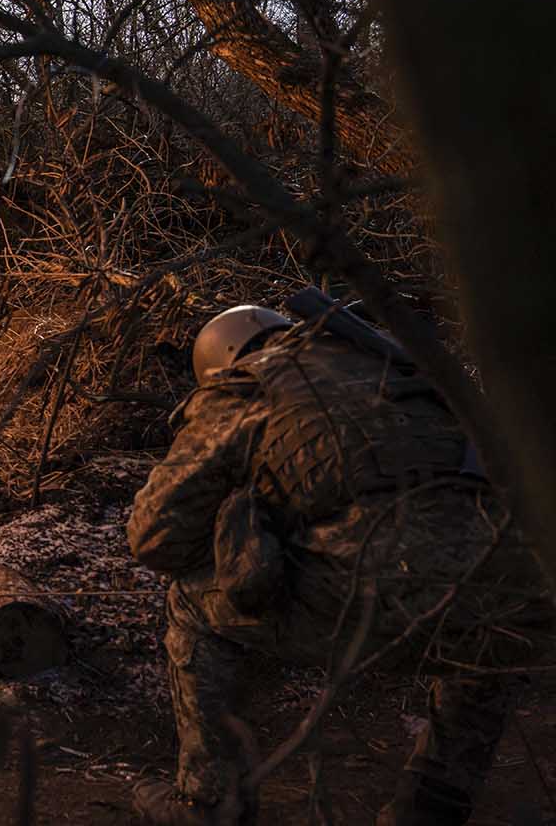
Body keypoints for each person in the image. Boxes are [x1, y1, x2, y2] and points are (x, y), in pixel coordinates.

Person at [129, 304, 550, 826]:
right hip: (515, 590)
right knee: (487, 596)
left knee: (190, 602)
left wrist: (249, 532)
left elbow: (154, 537)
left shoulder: (250, 385)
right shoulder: (402, 369)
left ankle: (211, 802)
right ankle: (432, 803)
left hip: (373, 591)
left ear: (221, 360)